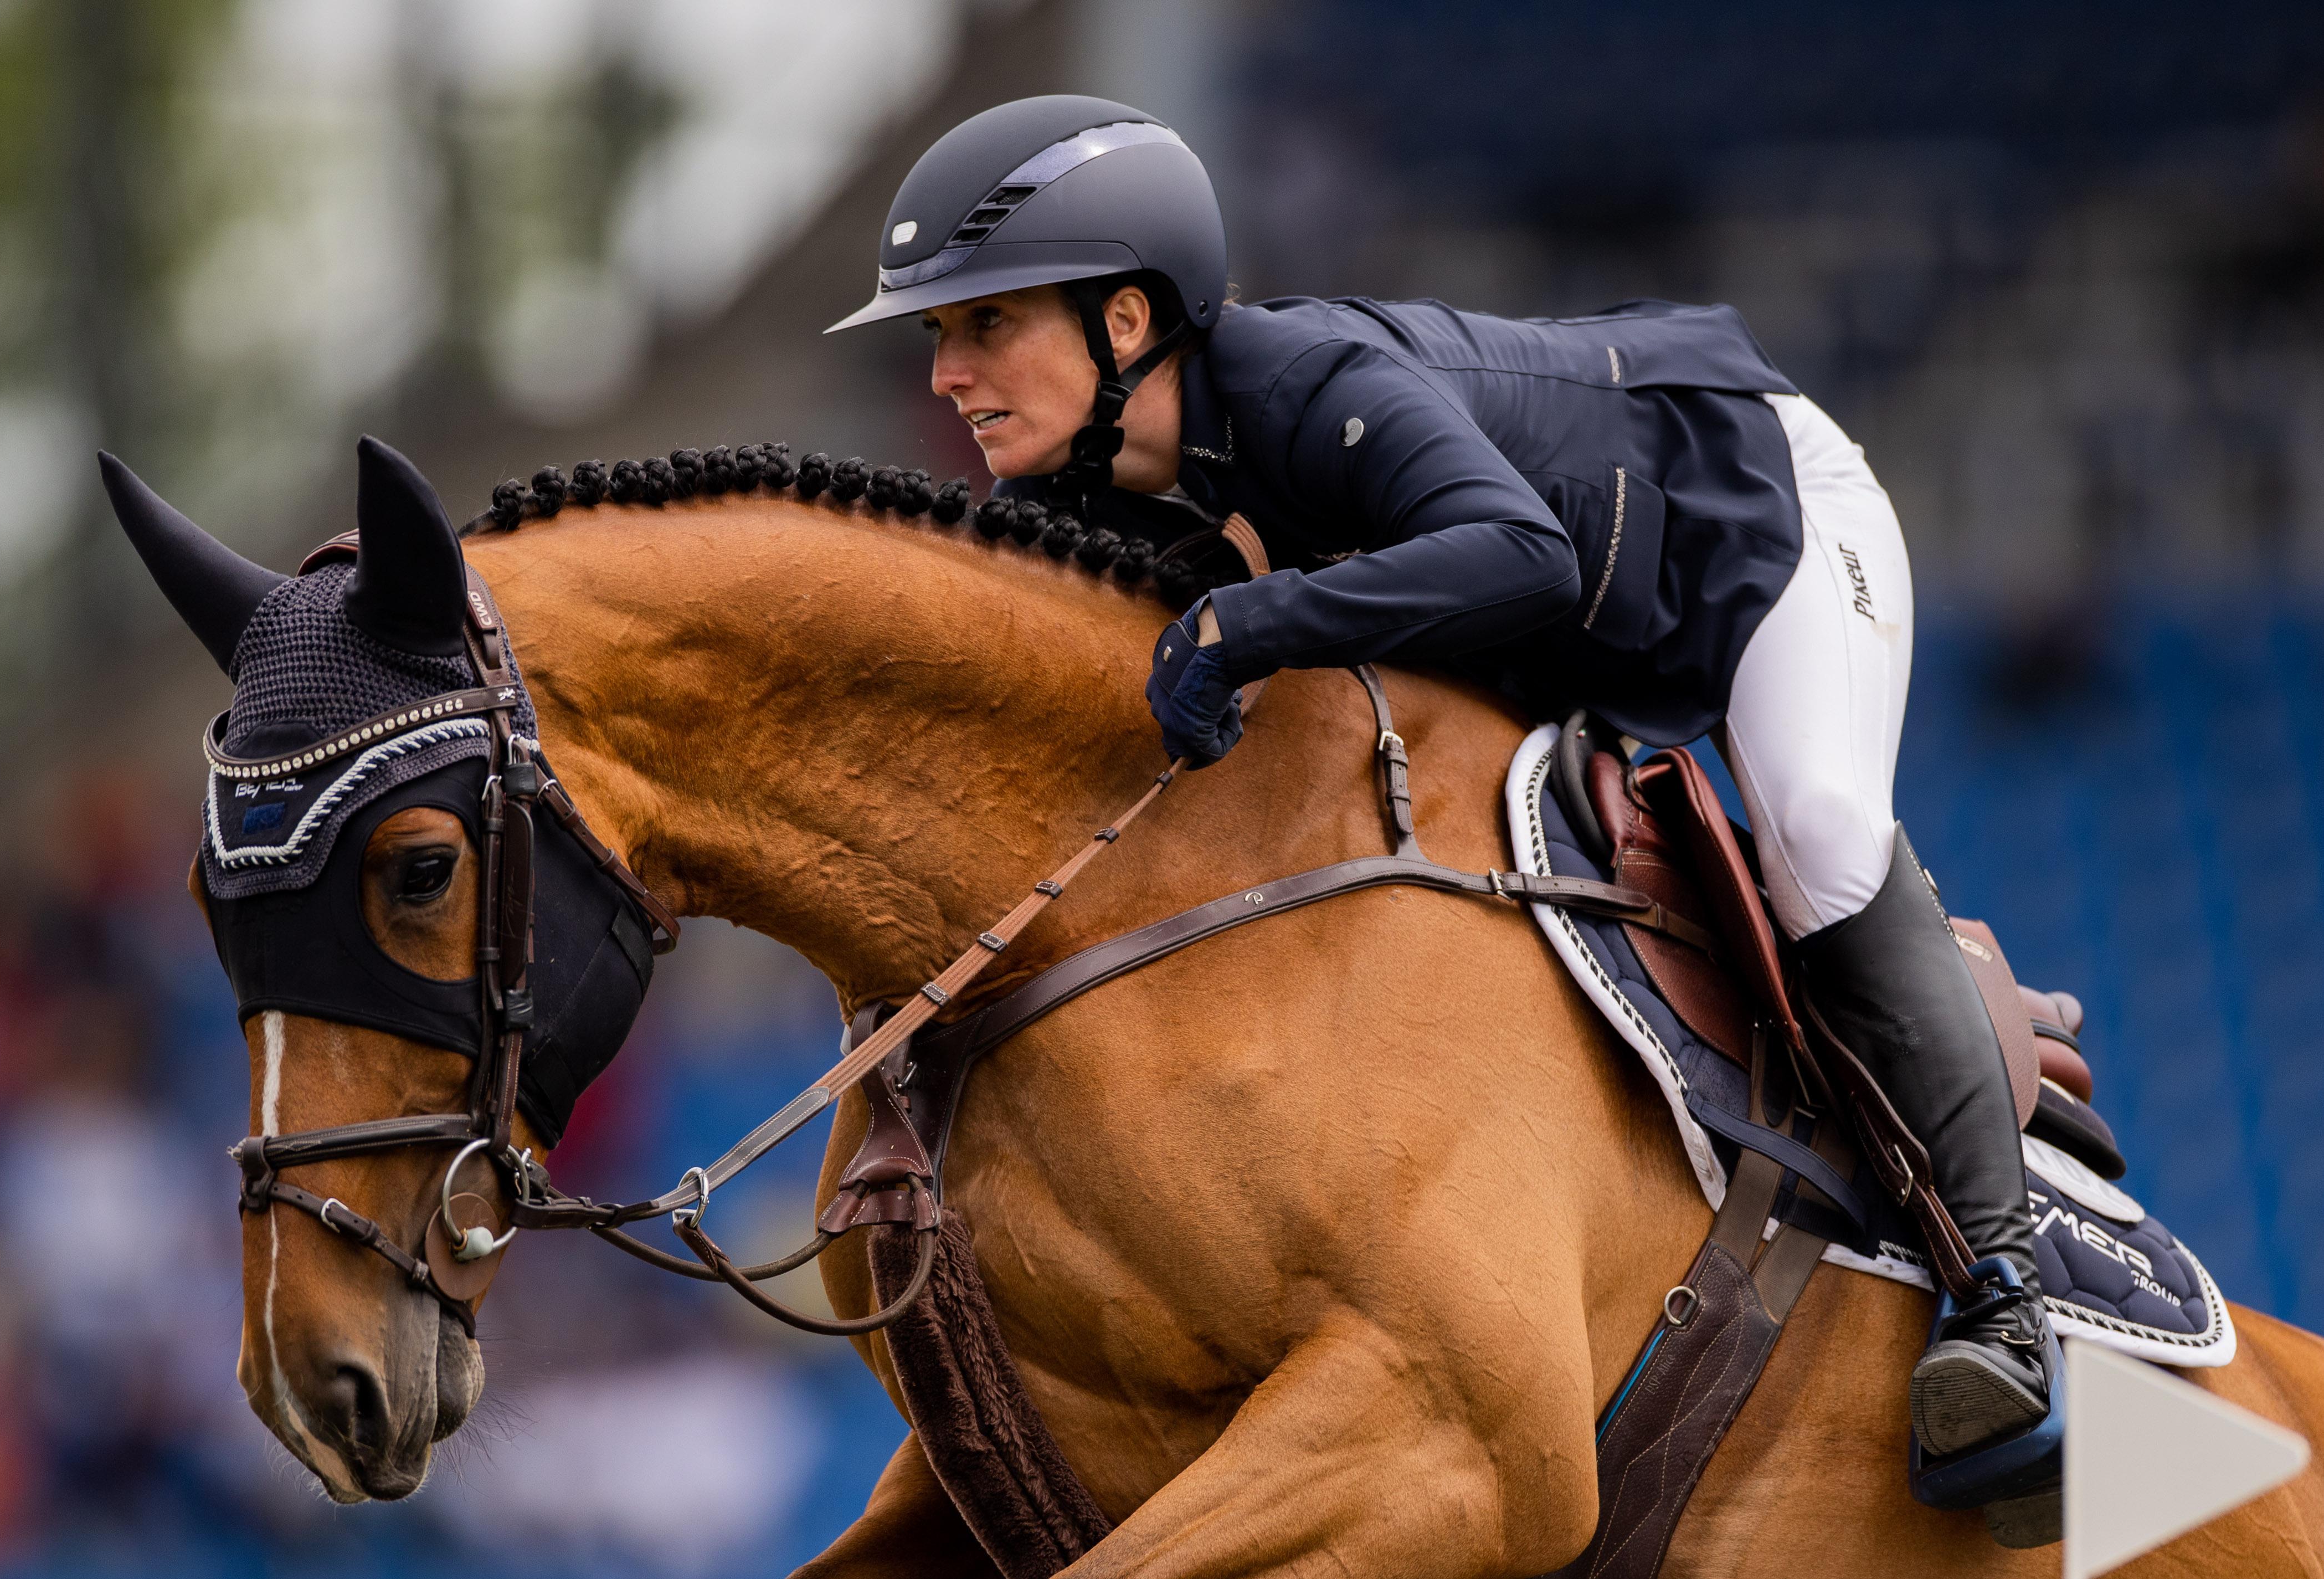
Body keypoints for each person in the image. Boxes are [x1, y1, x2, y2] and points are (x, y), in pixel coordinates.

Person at [829, 95, 2050, 1466]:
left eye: (984, 324)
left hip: (1752, 513)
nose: (945, 375)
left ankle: (1999, 1298)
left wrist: (1254, 623)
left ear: (1124, 323)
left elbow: (1519, 554)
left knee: (1818, 830)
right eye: (940, 336)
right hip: (1567, 630)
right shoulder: (1088, 488)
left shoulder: (1300, 386)